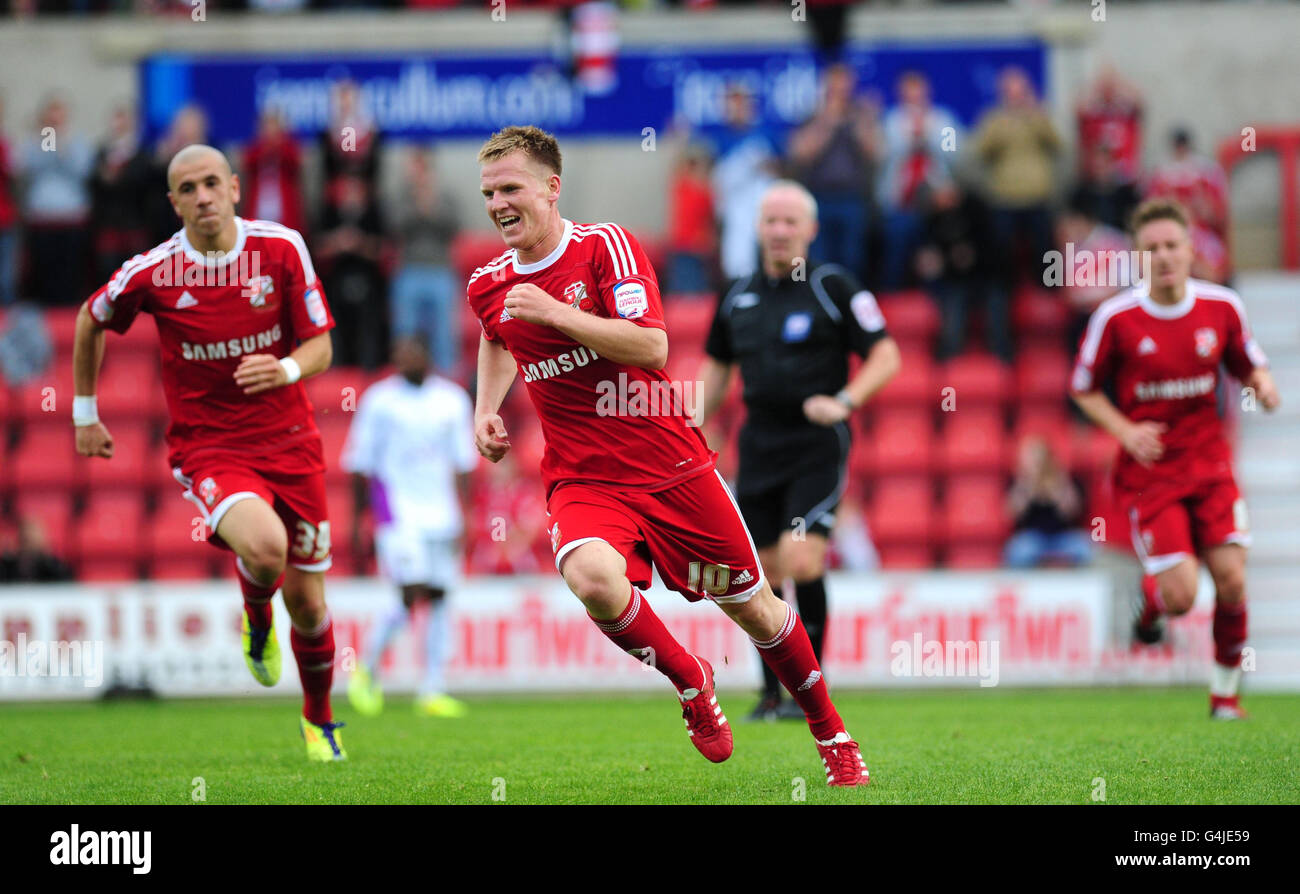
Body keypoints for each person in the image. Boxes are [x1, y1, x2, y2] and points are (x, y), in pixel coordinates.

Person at [468, 126, 870, 785]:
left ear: (551, 187)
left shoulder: (607, 248)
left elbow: (650, 348)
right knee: (592, 578)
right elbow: (497, 333)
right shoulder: (490, 282)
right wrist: (485, 408)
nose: (498, 204)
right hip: (583, 478)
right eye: (487, 193)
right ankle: (690, 677)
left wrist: (557, 314)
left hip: (671, 468)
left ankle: (833, 738)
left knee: (759, 609)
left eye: (510, 188)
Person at [72, 144, 347, 760]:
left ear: (234, 187)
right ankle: (255, 613)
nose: (202, 197)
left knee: (308, 604)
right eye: (187, 189)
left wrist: (283, 368)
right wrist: (83, 413)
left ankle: (319, 720)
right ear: (173, 202)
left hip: (292, 443)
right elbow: (92, 319)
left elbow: (321, 347)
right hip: (211, 446)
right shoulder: (154, 271)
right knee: (268, 546)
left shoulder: (281, 248)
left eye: (210, 184)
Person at [696, 179, 901, 721]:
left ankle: (812, 689)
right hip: (759, 443)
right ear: (758, 228)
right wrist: (692, 423)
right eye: (771, 221)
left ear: (810, 230)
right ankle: (771, 694)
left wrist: (846, 400)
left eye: (791, 221)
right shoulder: (737, 294)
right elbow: (717, 366)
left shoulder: (834, 288)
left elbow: (885, 355)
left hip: (816, 444)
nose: (780, 231)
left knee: (801, 557)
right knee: (758, 575)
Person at [1070, 198, 1280, 720]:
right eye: (1151, 248)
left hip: (1211, 465)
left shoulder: (1223, 306)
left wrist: (1264, 386)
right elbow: (1083, 389)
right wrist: (1125, 430)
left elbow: (1247, 363)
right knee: (1184, 596)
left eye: (1171, 245)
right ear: (1138, 258)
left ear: (1190, 250)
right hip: (1153, 472)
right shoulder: (1115, 318)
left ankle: (1225, 698)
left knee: (1231, 579)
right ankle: (1154, 604)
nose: (1163, 256)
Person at [343, 334, 477, 718]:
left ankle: (432, 689)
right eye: (399, 354)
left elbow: (463, 462)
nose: (405, 359)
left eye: (412, 353)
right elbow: (360, 462)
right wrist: (358, 519)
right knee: (410, 590)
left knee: (437, 596)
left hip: (442, 514)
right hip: (397, 513)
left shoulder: (451, 400)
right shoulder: (379, 401)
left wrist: (465, 515)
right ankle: (365, 671)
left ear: (427, 356)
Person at [787, 63, 879, 283]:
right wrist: (827, 120)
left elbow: (874, 152)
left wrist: (863, 120)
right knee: (819, 257)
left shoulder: (861, 116)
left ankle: (849, 302)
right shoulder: (812, 117)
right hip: (818, 197)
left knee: (852, 257)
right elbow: (801, 154)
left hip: (852, 197)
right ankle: (821, 302)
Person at [387, 148, 461, 374]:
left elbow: (454, 228)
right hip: (409, 270)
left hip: (440, 270)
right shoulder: (402, 197)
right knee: (405, 325)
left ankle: (447, 375)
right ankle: (404, 371)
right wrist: (418, 208)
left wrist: (432, 208)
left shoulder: (444, 196)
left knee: (443, 329)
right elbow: (394, 228)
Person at [1002, 437, 1093, 568]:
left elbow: (1071, 510)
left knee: (1086, 548)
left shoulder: (1065, 479)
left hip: (1063, 536)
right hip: (1032, 538)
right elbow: (1012, 513)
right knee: (1019, 551)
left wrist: (1057, 484)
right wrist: (1027, 485)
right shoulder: (1017, 482)